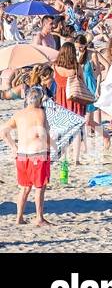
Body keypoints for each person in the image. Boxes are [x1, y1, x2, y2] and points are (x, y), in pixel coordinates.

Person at [1, 86, 53, 226]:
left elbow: (3, 132)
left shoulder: (19, 114)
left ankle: (19, 218)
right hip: (37, 154)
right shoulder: (40, 113)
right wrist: (49, 149)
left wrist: (13, 147)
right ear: (40, 99)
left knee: (24, 188)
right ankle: (39, 218)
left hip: (22, 155)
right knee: (39, 187)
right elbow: (41, 133)